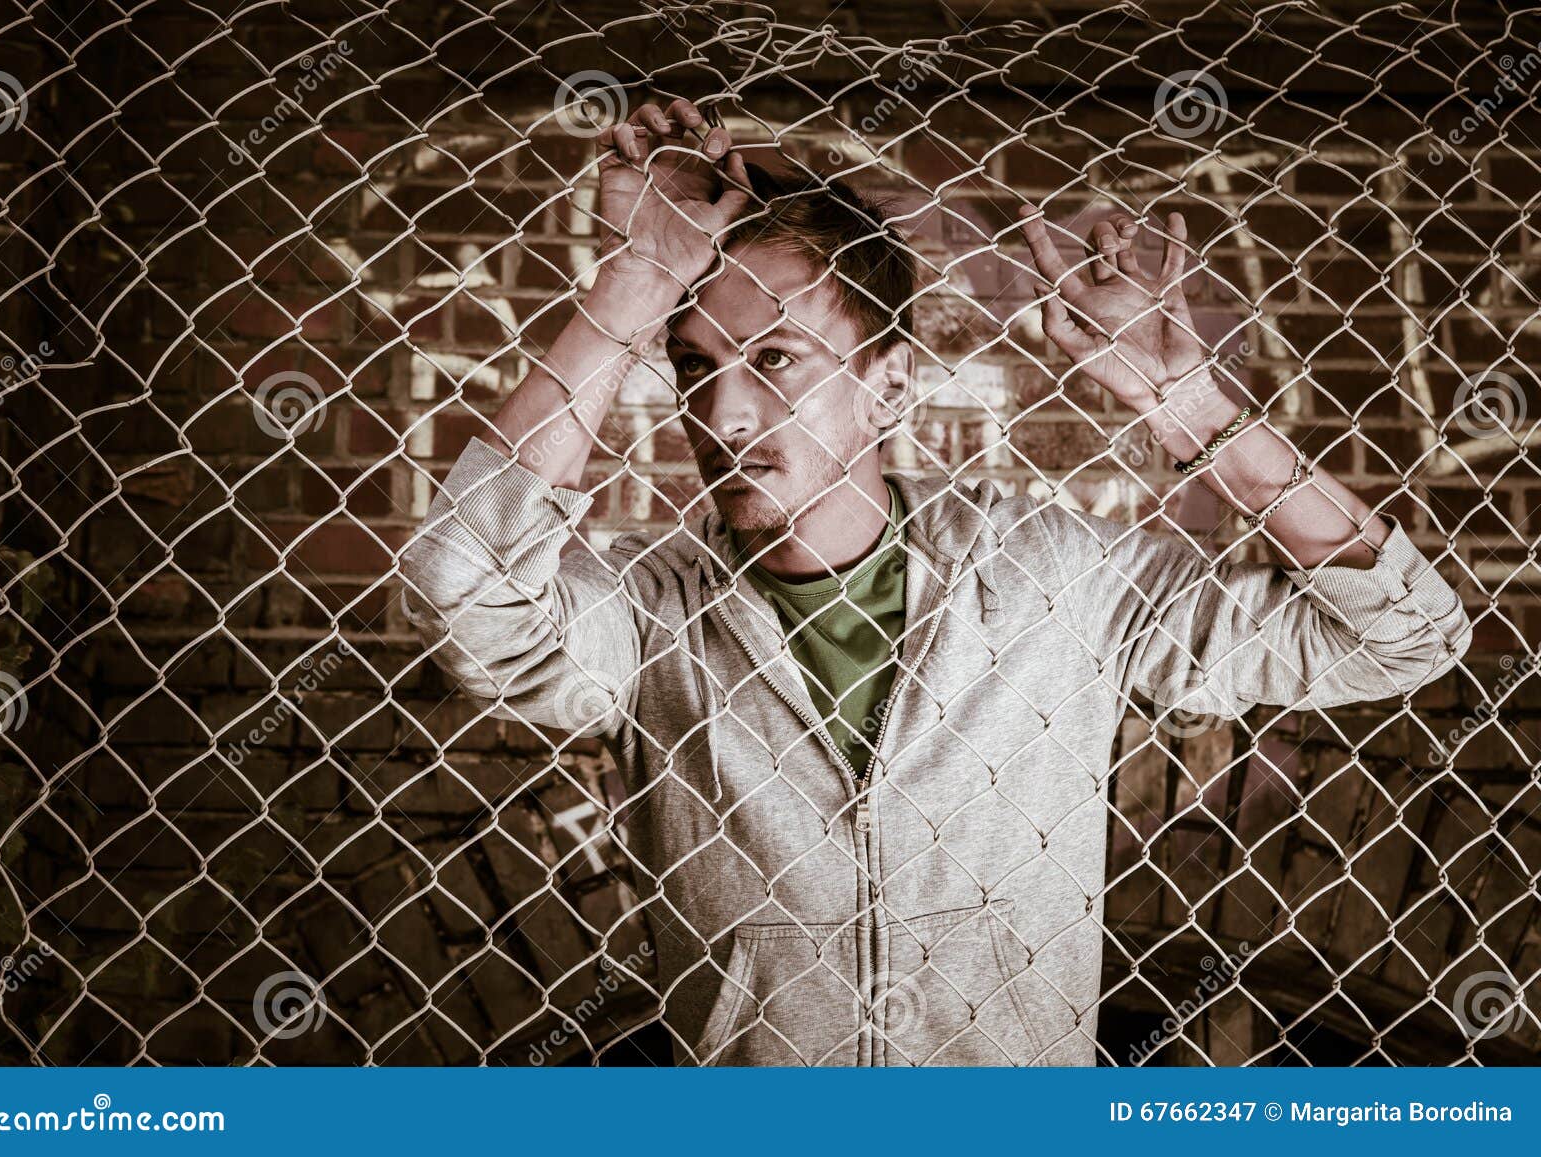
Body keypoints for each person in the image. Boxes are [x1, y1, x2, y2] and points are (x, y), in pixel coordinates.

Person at [398, 97, 1471, 1065]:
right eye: (692, 365)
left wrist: (1193, 411)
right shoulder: (652, 607)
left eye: (774, 360)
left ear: (890, 384)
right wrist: (627, 293)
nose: (721, 419)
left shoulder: (1054, 575)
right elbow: (464, 587)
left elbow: (1405, 634)